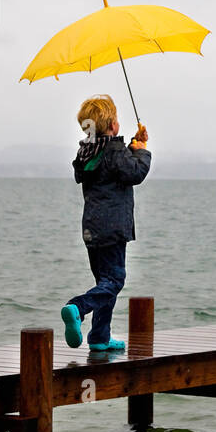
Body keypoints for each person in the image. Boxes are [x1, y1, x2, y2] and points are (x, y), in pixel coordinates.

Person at [60, 94, 150, 352]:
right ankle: (78, 307)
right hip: (112, 228)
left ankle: (100, 337)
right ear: (111, 125)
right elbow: (134, 173)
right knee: (115, 280)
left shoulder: (88, 152)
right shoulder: (113, 151)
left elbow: (116, 163)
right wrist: (142, 150)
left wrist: (132, 146)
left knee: (104, 281)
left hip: (92, 228)